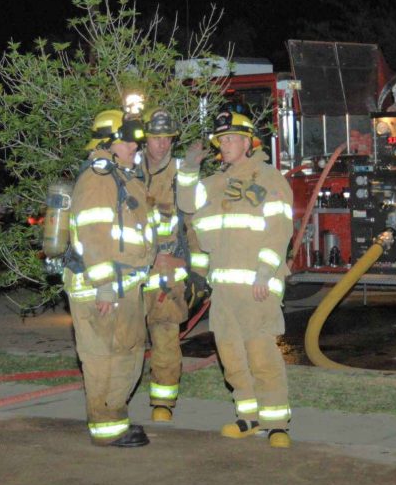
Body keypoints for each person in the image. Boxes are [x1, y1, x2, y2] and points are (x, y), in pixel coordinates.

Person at [177, 110, 294, 448]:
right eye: (221, 141)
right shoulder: (214, 182)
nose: (225, 145)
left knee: (261, 354)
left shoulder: (269, 178)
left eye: (230, 139)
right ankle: (249, 417)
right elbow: (186, 203)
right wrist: (189, 167)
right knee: (231, 356)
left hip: (258, 285)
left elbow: (279, 229)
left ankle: (277, 424)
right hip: (225, 289)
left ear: (247, 142)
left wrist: (265, 272)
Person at [62, 109, 155, 447]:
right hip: (102, 290)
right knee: (103, 358)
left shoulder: (120, 176)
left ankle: (115, 418)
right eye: (128, 140)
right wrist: (104, 286)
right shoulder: (99, 179)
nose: (134, 146)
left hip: (123, 287)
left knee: (125, 354)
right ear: (109, 142)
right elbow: (94, 236)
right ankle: (106, 428)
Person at [139, 107, 190, 423]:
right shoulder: (127, 170)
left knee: (165, 335)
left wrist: (191, 266)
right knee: (126, 337)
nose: (162, 145)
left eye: (167, 138)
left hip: (166, 273)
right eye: (156, 138)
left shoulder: (183, 174)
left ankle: (163, 403)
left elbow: (196, 224)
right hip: (130, 271)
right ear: (145, 138)